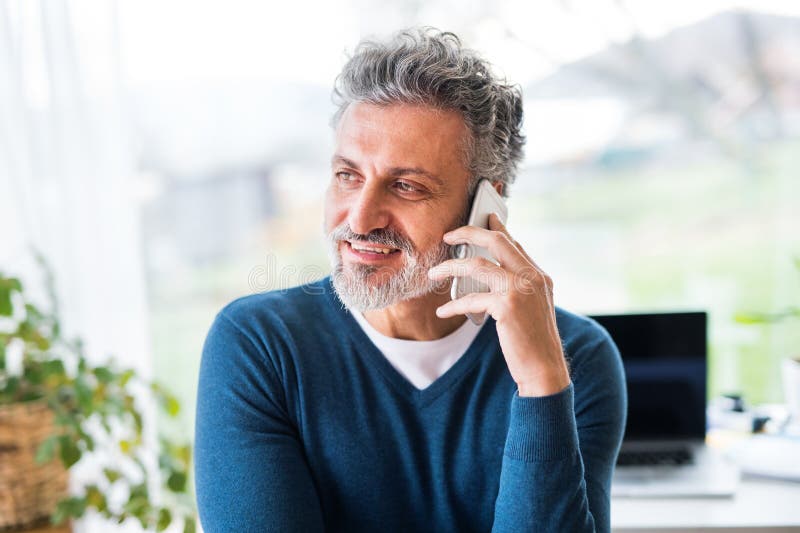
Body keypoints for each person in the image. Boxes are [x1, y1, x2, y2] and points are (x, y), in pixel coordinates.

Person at [195, 27, 626, 533]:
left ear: (486, 204)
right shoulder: (260, 346)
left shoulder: (572, 357)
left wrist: (539, 384)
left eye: (405, 186)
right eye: (347, 176)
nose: (359, 219)